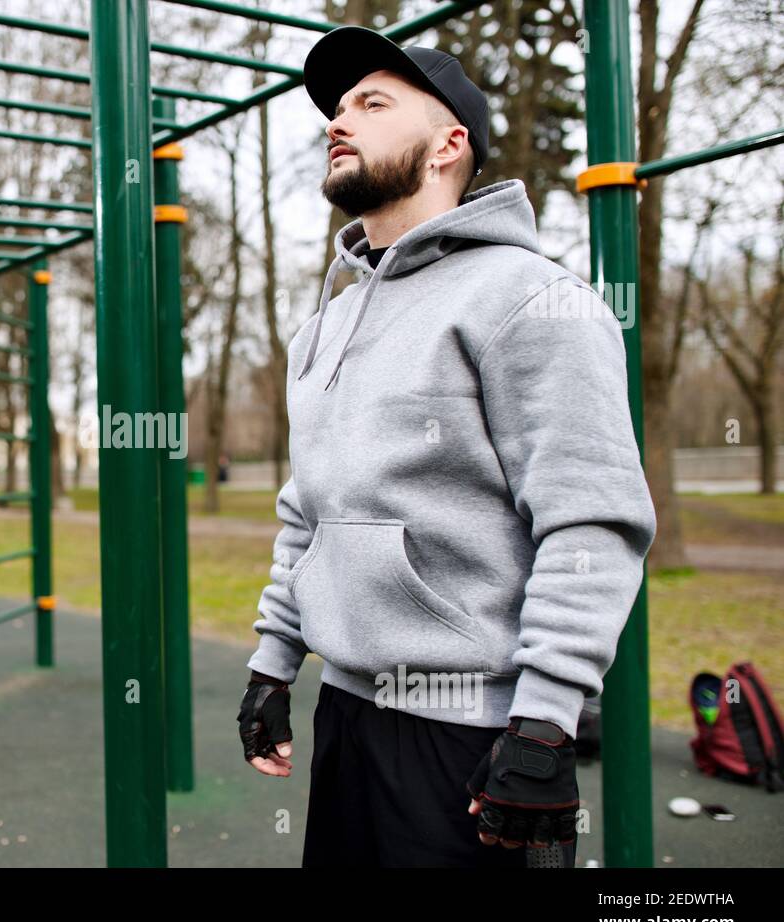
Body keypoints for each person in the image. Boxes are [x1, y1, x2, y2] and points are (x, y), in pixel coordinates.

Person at [236, 26, 657, 868]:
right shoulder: (326, 324)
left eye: (372, 102)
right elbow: (306, 513)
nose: (338, 122)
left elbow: (589, 523)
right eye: (336, 108)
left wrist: (544, 719)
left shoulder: (530, 299)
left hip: (471, 738)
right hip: (347, 718)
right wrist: (273, 662)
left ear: (448, 144)